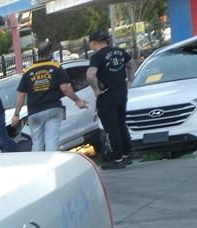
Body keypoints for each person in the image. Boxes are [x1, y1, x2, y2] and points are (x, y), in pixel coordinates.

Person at [11, 41, 87, 152]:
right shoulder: (56, 67)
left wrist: (16, 114)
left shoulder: (28, 71)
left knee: (37, 143)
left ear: (38, 53)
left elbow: (21, 94)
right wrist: (78, 101)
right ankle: (51, 165)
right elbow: (65, 88)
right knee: (51, 140)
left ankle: (38, 166)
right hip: (53, 109)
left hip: (34, 112)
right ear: (51, 52)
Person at [87, 29, 136, 169]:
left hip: (107, 94)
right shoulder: (119, 51)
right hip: (121, 92)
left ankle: (118, 159)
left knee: (111, 127)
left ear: (93, 42)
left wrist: (96, 90)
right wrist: (129, 81)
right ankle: (127, 153)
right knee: (121, 123)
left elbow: (90, 76)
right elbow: (132, 64)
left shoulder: (97, 56)